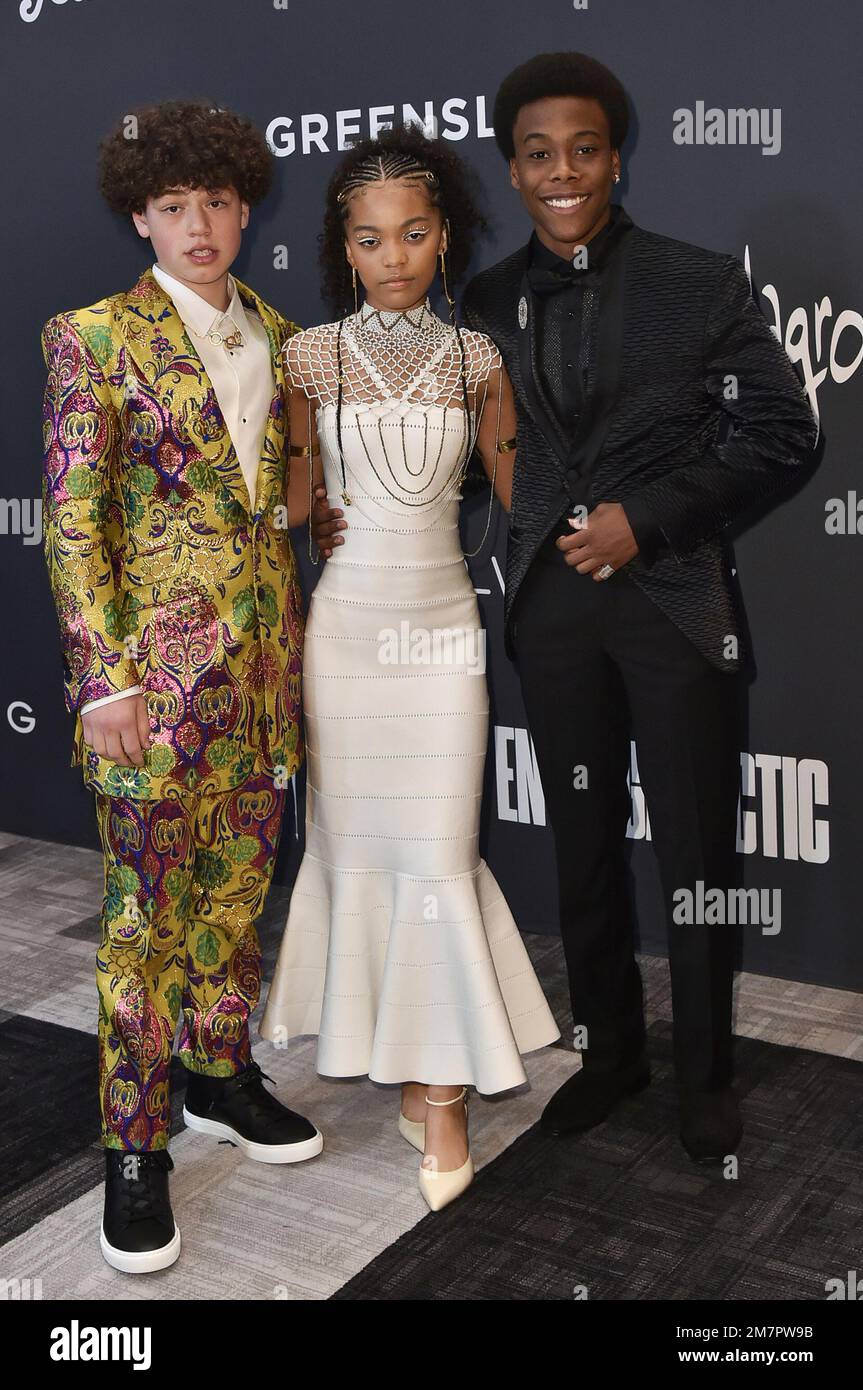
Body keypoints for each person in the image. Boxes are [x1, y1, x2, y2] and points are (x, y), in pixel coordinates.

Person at [455, 52, 819, 1163]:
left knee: (698, 854)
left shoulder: (694, 281)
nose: (560, 171)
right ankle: (610, 1051)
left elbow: (782, 434)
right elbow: (482, 459)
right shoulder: (483, 300)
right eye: (535, 153)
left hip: (668, 606)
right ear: (511, 168)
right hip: (553, 618)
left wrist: (643, 520)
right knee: (579, 846)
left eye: (582, 148)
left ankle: (704, 1075)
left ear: (615, 155)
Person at [40, 100, 321, 1275]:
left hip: (263, 680)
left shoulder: (283, 333)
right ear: (139, 216)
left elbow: (290, 505)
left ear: (245, 205)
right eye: (171, 208)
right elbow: (71, 515)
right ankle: (134, 1141)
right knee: (143, 919)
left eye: (215, 202)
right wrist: (102, 676)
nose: (197, 225)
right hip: (149, 687)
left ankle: (218, 1072)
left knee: (236, 887)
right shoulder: (91, 338)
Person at [260, 126, 561, 1212]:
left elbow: (519, 494)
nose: (394, 255)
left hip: (439, 629)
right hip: (345, 635)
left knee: (436, 851)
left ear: (444, 240)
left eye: (415, 234)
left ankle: (438, 1090)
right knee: (361, 845)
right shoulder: (306, 357)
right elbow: (293, 503)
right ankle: (405, 1057)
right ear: (343, 247)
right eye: (370, 236)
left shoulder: (479, 361)